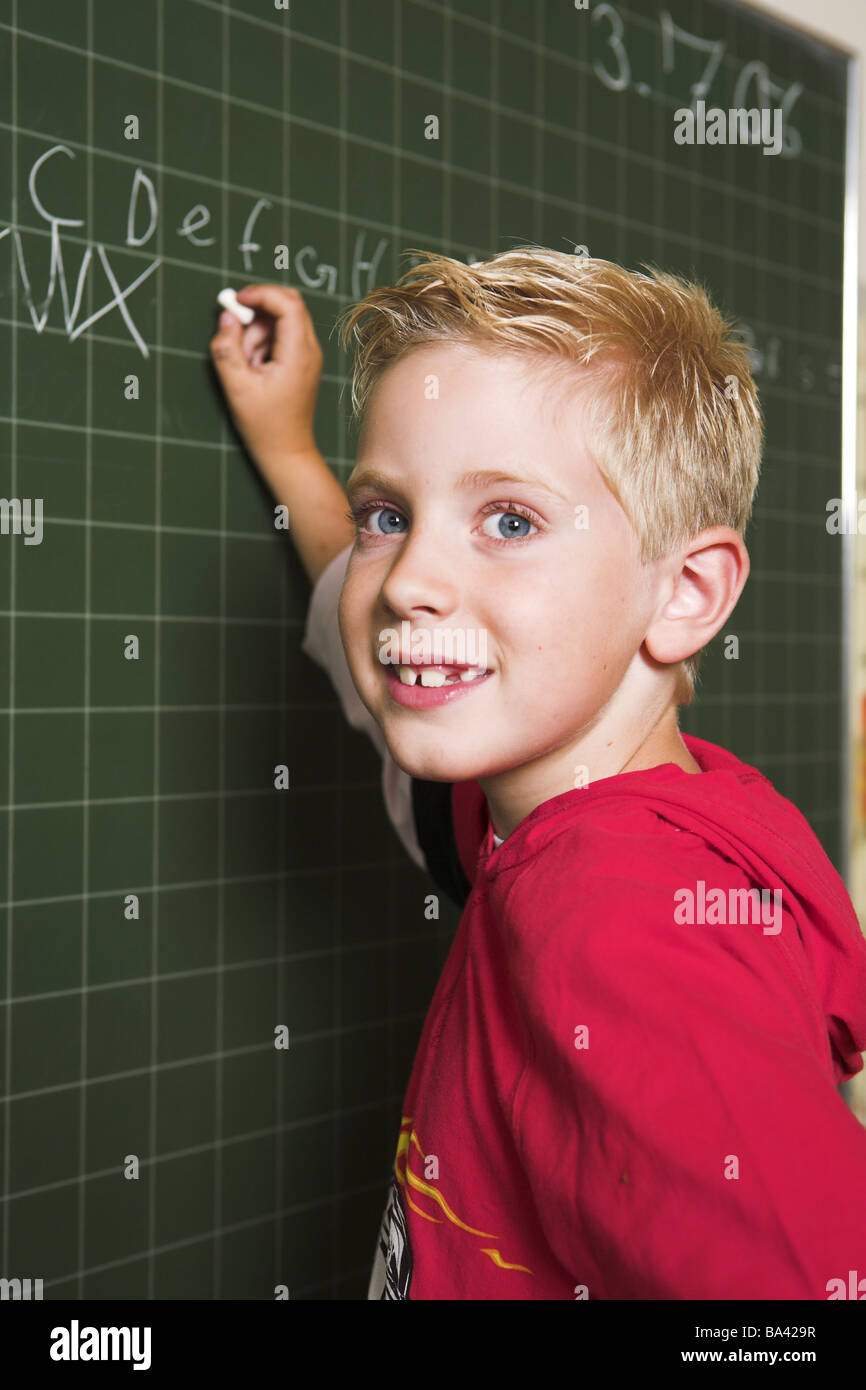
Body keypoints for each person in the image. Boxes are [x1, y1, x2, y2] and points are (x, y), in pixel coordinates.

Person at [209, 249, 866, 1300]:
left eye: (507, 521)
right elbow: (400, 693)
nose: (410, 581)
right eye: (390, 513)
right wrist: (288, 446)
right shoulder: (574, 812)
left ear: (686, 593)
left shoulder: (622, 929)